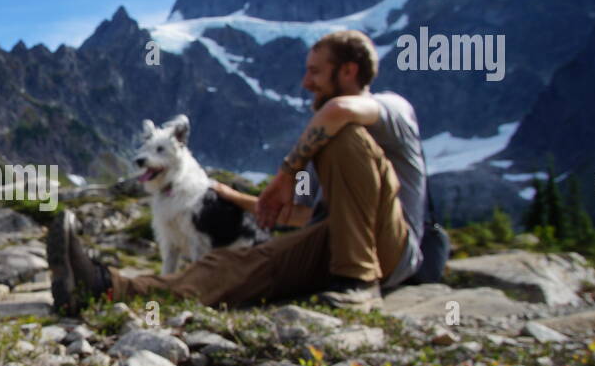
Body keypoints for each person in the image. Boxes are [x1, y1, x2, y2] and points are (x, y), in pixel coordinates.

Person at [49, 29, 426, 314]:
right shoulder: (321, 144)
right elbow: (300, 216)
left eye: (315, 72)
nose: (305, 82)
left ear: (348, 71)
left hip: (389, 248)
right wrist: (236, 198)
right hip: (332, 243)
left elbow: (340, 112)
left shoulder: (392, 108)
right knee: (233, 263)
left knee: (346, 137)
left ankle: (360, 281)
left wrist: (286, 174)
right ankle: (103, 288)